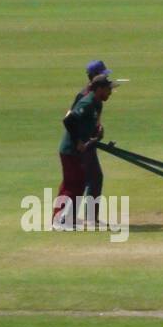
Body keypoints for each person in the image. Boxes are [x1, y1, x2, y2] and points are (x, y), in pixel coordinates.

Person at [54, 75, 114, 230]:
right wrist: (78, 142)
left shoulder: (97, 103)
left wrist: (97, 131)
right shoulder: (87, 102)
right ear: (99, 89)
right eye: (108, 90)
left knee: (79, 183)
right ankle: (60, 219)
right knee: (72, 185)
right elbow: (68, 120)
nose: (110, 93)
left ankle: (69, 218)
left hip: (79, 151)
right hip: (70, 150)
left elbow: (89, 124)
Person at [77, 60, 111, 226]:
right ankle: (90, 219)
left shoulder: (97, 95)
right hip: (82, 143)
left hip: (88, 141)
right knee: (94, 177)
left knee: (91, 178)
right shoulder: (86, 97)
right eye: (103, 74)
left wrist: (97, 129)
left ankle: (88, 217)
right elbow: (74, 119)